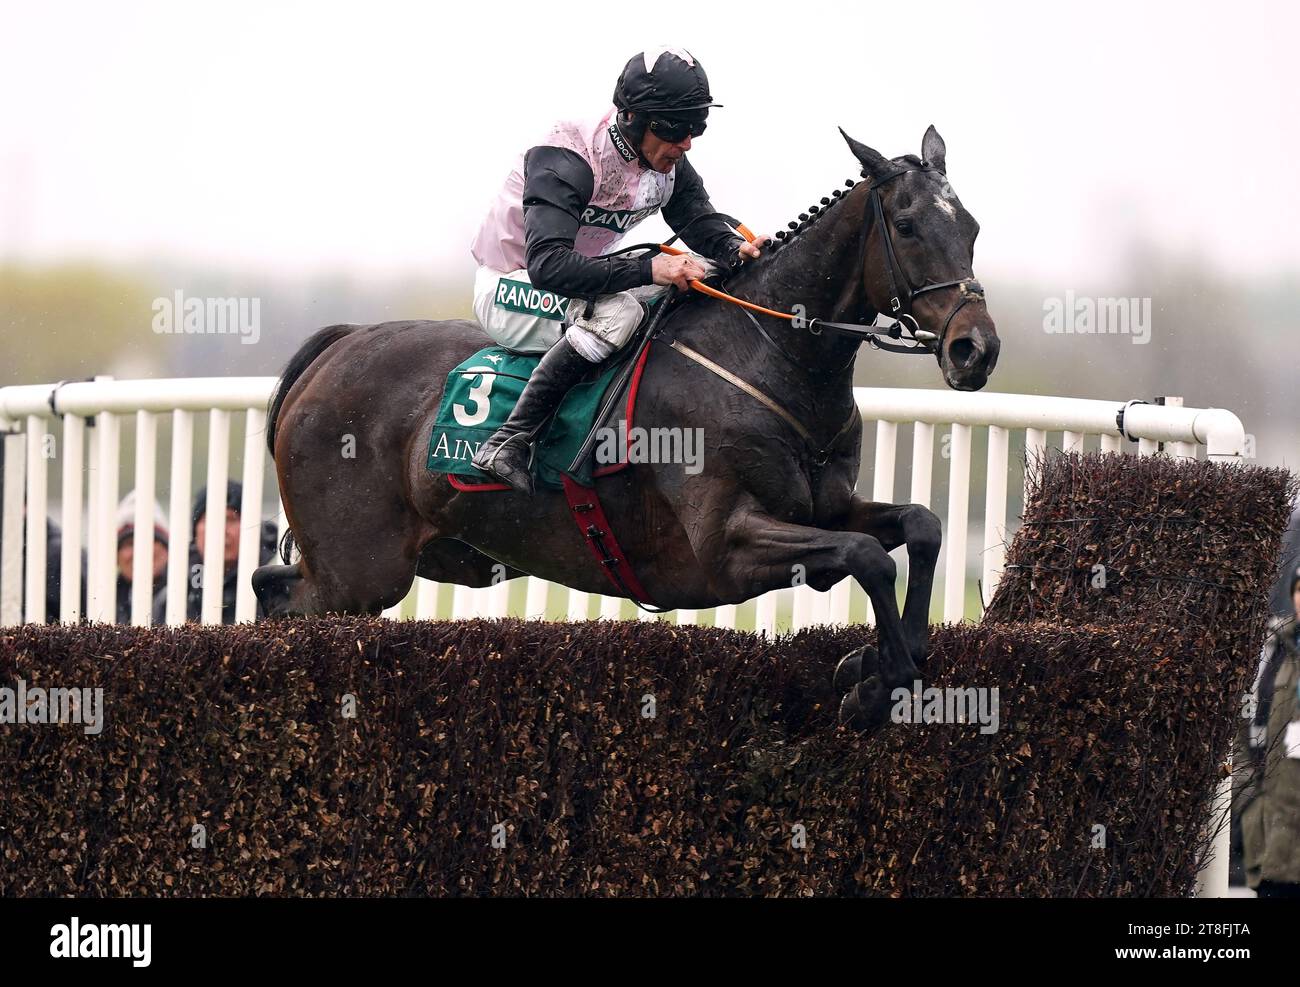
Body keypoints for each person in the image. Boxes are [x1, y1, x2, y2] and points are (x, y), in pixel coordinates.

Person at [468, 46, 769, 494]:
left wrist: (733, 248)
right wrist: (651, 268)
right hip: (514, 286)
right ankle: (508, 440)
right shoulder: (567, 156)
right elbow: (548, 265)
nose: (687, 142)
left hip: (577, 279)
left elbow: (696, 218)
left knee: (695, 281)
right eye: (677, 128)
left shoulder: (664, 158)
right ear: (632, 118)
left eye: (696, 128)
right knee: (622, 314)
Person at [1233, 564, 1300, 897]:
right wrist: (1249, 804)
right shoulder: (1273, 649)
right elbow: (1241, 734)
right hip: (1273, 844)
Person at [152, 480, 276, 625]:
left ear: (254, 528)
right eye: (209, 519)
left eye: (230, 519)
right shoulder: (173, 592)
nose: (220, 529)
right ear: (195, 531)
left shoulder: (274, 586)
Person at [113, 492, 169, 624]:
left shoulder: (192, 594)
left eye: (147, 540)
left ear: (167, 549)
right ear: (116, 556)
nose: (139, 552)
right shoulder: (100, 599)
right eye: (129, 544)